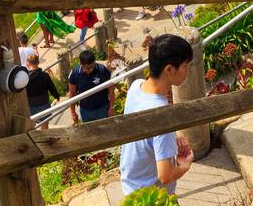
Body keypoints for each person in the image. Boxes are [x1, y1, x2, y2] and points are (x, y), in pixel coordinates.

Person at [119, 34, 196, 196]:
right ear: (169, 69)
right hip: (152, 201)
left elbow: (143, 134)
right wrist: (185, 164)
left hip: (131, 186)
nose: (187, 70)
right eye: (185, 66)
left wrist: (169, 141)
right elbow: (166, 175)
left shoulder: (136, 86)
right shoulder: (162, 115)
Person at [68, 50, 114, 124]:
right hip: (85, 111)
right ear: (81, 65)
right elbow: (72, 94)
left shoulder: (102, 70)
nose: (91, 69)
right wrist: (73, 112)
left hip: (102, 108)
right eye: (88, 68)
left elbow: (111, 90)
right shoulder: (75, 74)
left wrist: (111, 107)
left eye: (93, 66)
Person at [24, 53, 61, 126]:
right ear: (38, 63)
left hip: (30, 105)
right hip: (43, 103)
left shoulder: (25, 78)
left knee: (33, 125)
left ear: (27, 64)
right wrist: (56, 96)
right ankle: (45, 137)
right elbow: (51, 87)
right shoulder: (44, 76)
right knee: (45, 124)